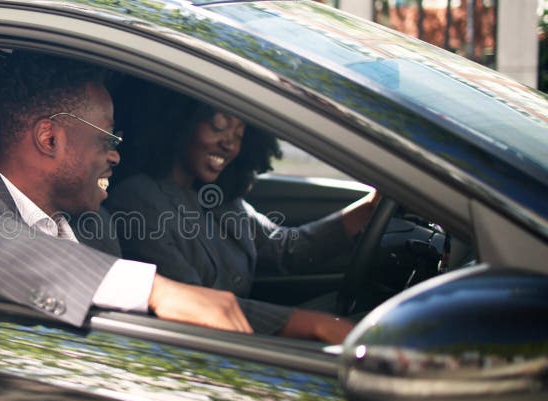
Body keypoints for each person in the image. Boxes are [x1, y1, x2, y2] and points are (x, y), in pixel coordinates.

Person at [0, 50, 350, 342]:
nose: (117, 155)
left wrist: (304, 325)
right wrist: (156, 290)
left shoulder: (91, 223)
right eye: (107, 139)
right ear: (49, 139)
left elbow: (174, 312)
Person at [106, 83, 377, 314]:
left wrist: (370, 207)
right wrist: (305, 324)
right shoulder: (137, 201)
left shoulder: (222, 200)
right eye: (218, 127)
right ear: (180, 122)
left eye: (239, 134)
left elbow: (284, 249)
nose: (230, 144)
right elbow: (195, 305)